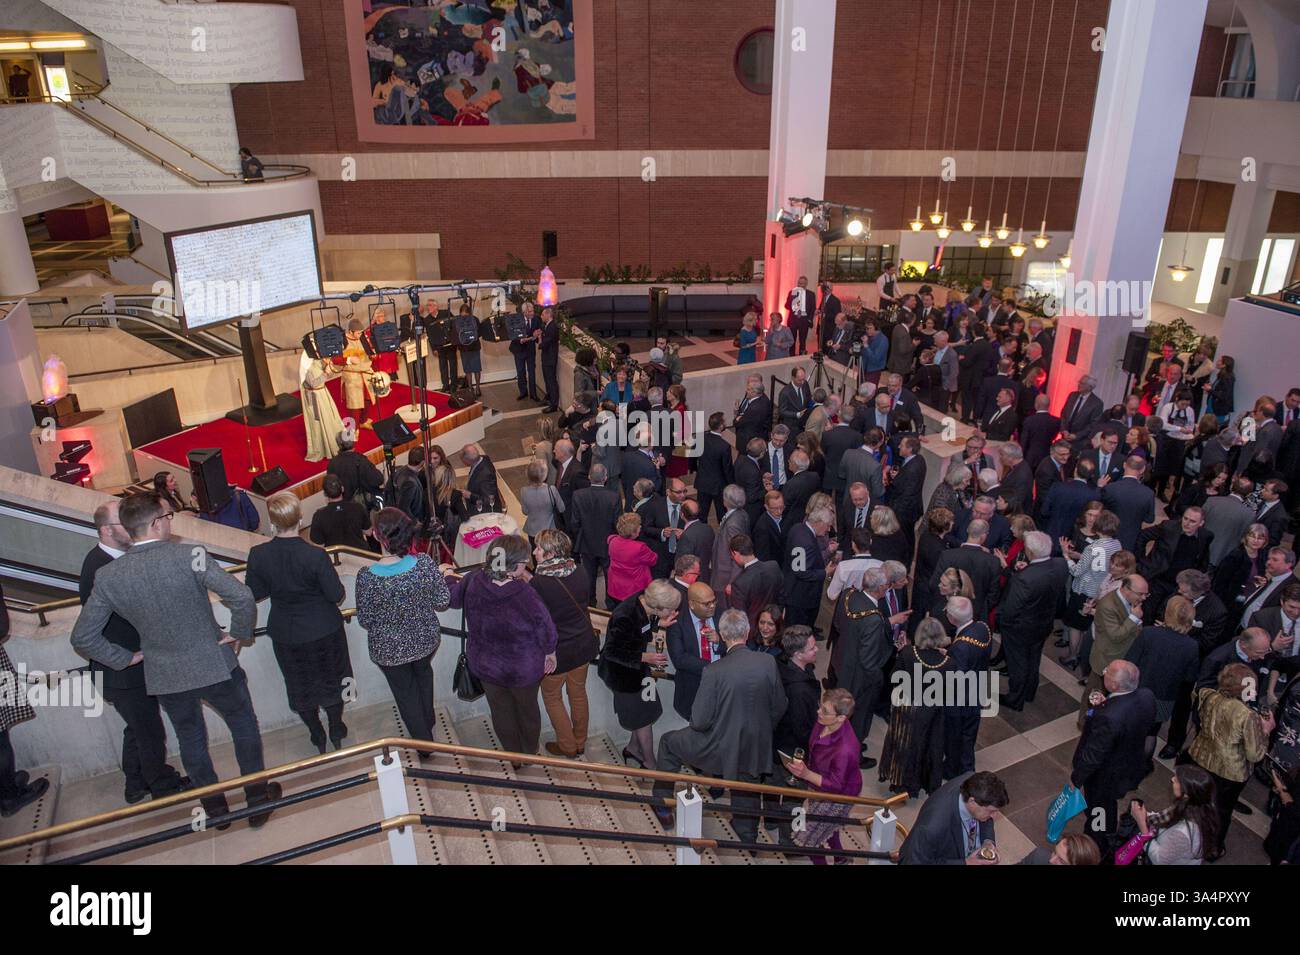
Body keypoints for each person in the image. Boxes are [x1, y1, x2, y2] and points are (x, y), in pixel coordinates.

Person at [70, 492, 276, 829]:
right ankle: (256, 800)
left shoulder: (109, 577)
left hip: (164, 675)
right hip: (215, 663)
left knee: (190, 740)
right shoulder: (189, 556)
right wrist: (238, 633)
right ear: (154, 523)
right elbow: (240, 596)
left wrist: (124, 658)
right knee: (243, 726)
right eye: (167, 517)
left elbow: (83, 637)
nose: (169, 522)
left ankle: (217, 812)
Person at [77, 501, 187, 804]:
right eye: (121, 521)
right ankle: (162, 786)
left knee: (137, 728)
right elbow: (90, 631)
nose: (129, 524)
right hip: (122, 671)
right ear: (106, 530)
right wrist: (125, 657)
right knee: (150, 730)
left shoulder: (112, 560)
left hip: (123, 671)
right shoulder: (100, 568)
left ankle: (135, 783)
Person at [651, 609, 788, 840]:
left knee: (668, 743)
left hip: (718, 746)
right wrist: (759, 729)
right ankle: (747, 835)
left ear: (723, 636)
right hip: (756, 743)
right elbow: (780, 705)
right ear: (747, 631)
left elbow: (699, 721)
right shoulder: (767, 662)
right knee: (748, 781)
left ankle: (662, 805)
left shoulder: (713, 671)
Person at [245, 493, 352, 753]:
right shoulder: (315, 555)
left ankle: (317, 733)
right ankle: (336, 727)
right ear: (300, 518)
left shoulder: (258, 555)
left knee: (299, 684)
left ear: (273, 523)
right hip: (325, 628)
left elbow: (254, 592)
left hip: (286, 632)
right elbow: (336, 594)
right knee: (334, 680)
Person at [448, 536, 557, 757]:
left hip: (487, 666)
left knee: (500, 712)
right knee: (528, 712)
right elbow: (547, 629)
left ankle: (512, 756)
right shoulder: (525, 594)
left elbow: (452, 599)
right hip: (523, 671)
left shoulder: (473, 579)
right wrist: (550, 652)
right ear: (516, 566)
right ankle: (529, 752)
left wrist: (448, 577)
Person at [355, 508, 450, 750]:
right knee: (424, 676)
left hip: (389, 650)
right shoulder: (424, 564)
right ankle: (427, 722)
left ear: (377, 536)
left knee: (405, 693)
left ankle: (425, 745)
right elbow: (442, 601)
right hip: (425, 640)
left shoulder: (366, 576)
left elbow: (365, 620)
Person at [1070, 659, 1157, 852]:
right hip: (1129, 763)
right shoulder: (1147, 696)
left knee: (1099, 808)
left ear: (1115, 685)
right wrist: (1106, 704)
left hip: (1105, 775)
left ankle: (1097, 841)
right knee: (1105, 804)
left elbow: (1093, 754)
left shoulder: (1110, 717)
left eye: (1106, 672)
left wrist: (1076, 779)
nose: (1103, 673)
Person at [1189, 662, 1274, 859]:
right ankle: (1212, 849)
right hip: (1229, 772)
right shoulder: (1247, 715)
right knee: (1221, 811)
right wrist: (1266, 732)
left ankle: (1190, 837)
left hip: (1201, 757)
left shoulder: (1208, 695)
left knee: (1198, 802)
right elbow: (1255, 755)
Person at [598, 580, 681, 769]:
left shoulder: (642, 602)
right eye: (669, 609)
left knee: (647, 711)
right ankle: (650, 762)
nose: (672, 612)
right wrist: (644, 656)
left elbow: (639, 628)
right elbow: (611, 652)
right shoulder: (624, 616)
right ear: (658, 606)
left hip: (640, 672)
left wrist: (658, 623)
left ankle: (633, 748)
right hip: (623, 677)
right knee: (643, 718)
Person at [787, 688, 865, 864]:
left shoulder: (846, 749)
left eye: (825, 711)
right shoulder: (824, 722)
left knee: (809, 839)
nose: (818, 712)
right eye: (820, 707)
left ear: (841, 718)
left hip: (838, 795)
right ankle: (842, 859)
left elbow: (836, 785)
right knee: (829, 828)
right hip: (818, 782)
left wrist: (806, 774)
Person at [880, 617, 953, 797]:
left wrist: (900, 653)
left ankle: (900, 782)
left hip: (907, 709)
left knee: (902, 745)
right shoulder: (949, 663)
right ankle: (923, 781)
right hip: (932, 713)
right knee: (928, 746)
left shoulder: (908, 654)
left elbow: (894, 677)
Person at [1125, 596, 1200, 764]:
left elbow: (1130, 660)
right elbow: (1189, 677)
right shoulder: (1192, 646)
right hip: (1165, 697)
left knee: (1130, 728)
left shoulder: (1149, 633)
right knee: (1151, 733)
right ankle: (1142, 766)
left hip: (1138, 692)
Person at [831, 567, 893, 769]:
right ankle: (853, 756)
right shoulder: (873, 618)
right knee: (859, 719)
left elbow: (839, 625)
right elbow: (868, 660)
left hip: (843, 663)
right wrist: (878, 678)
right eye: (887, 585)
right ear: (881, 588)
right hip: (860, 677)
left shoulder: (849, 595)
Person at [998, 532, 1066, 711]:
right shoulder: (1060, 566)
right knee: (1034, 660)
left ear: (1029, 552)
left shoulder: (1025, 578)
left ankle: (1015, 699)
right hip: (1043, 624)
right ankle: (1029, 692)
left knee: (1017, 664)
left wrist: (1004, 623)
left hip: (1020, 628)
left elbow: (1012, 609)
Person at [897, 770, 1009, 865]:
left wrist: (988, 841)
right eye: (992, 811)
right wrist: (966, 863)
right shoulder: (932, 827)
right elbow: (913, 862)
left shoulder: (973, 783)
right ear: (972, 802)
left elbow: (987, 819)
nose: (994, 817)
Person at [1129, 764, 1218, 865]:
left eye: (1177, 780)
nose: (1172, 779)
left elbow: (1159, 860)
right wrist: (1144, 815)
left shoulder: (1184, 833)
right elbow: (1166, 817)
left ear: (1186, 793)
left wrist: (1142, 826)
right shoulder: (1194, 807)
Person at [665, 582, 722, 720]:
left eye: (714, 601)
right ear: (692, 604)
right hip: (693, 688)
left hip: (721, 687)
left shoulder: (721, 614)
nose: (712, 606)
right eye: (706, 603)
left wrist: (719, 642)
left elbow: (735, 643)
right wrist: (712, 669)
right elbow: (679, 659)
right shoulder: (676, 623)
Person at [606, 511, 657, 610]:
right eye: (638, 526)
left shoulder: (612, 541)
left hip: (615, 586)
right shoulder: (640, 547)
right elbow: (653, 559)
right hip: (633, 590)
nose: (640, 527)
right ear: (633, 532)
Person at [310, 474, 371, 551]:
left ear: (325, 494)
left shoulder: (318, 516)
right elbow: (368, 532)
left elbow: (318, 547)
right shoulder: (358, 507)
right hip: (362, 554)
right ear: (342, 489)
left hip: (337, 558)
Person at [301, 356, 345, 462]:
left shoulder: (317, 361)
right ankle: (324, 447)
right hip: (314, 398)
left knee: (330, 418)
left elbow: (330, 372)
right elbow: (314, 383)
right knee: (318, 422)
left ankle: (334, 443)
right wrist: (325, 373)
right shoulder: (306, 367)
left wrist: (327, 365)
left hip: (322, 394)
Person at [326, 431, 384, 510]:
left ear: (339, 445)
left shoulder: (332, 464)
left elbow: (331, 489)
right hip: (364, 507)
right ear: (353, 443)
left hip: (344, 508)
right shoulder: (360, 460)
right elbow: (379, 480)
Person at [519, 459, 565, 540]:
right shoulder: (551, 489)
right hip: (550, 531)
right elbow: (562, 508)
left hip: (533, 532)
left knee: (535, 552)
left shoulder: (524, 491)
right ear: (544, 475)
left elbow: (525, 512)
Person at [509, 300, 542, 402]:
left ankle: (533, 394)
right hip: (518, 350)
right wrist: (532, 336)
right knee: (520, 372)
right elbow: (519, 339)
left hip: (530, 350)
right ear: (524, 313)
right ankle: (523, 392)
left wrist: (538, 335)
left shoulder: (536, 319)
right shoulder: (516, 320)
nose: (532, 313)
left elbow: (539, 331)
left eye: (533, 311)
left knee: (532, 372)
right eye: (530, 312)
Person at [460, 443, 501, 514]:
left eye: (462, 460)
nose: (462, 461)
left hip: (485, 512)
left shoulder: (486, 476)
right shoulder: (483, 458)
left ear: (468, 461)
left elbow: (488, 500)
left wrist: (470, 495)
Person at [785, 276, 816, 354]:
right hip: (793, 320)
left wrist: (809, 319)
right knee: (792, 340)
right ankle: (791, 356)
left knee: (803, 341)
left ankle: (801, 357)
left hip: (804, 321)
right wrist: (792, 301)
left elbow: (812, 308)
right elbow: (786, 306)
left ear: (806, 284)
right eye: (799, 283)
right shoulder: (792, 292)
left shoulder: (811, 294)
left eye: (802, 283)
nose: (799, 285)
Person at [538, 305, 561, 412]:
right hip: (546, 358)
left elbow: (545, 343)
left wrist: (539, 340)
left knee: (551, 381)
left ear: (548, 315)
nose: (541, 316)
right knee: (547, 380)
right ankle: (549, 399)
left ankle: (554, 405)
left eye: (542, 314)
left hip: (550, 359)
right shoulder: (547, 325)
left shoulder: (552, 327)